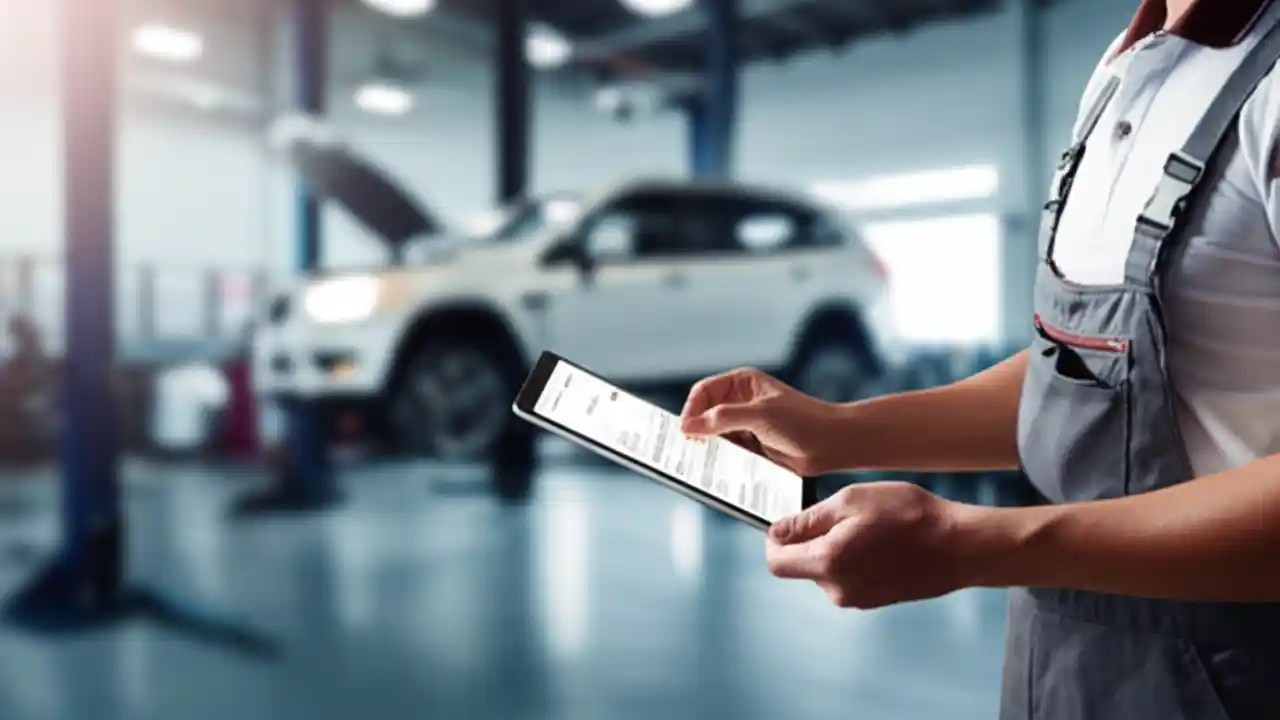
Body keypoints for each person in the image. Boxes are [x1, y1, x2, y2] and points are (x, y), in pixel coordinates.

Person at [681, 1, 1280, 717]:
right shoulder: (1123, 70)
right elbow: (1087, 375)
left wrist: (976, 545)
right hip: (1062, 670)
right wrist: (838, 433)